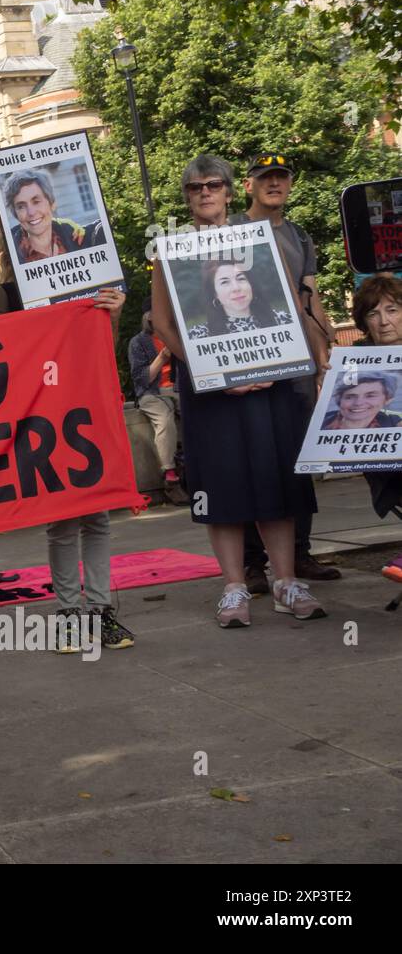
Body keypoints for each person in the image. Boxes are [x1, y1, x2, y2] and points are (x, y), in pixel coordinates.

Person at [152, 154, 324, 628]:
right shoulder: (172, 251)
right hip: (210, 390)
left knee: (277, 476)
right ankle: (233, 587)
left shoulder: (261, 241)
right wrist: (210, 370)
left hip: (271, 380)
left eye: (213, 184)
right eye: (194, 187)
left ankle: (286, 580)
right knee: (223, 482)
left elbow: (291, 304)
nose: (205, 192)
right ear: (187, 198)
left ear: (231, 191)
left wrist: (288, 361)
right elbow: (164, 324)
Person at [0, 223, 135, 650]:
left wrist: (115, 312)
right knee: (62, 518)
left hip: (88, 405)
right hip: (42, 415)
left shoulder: (89, 286)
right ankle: (69, 614)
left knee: (98, 515)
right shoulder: (7, 295)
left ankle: (102, 612)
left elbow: (103, 346)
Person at [230, 153, 340, 588]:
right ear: (249, 186)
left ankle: (299, 553)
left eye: (281, 178)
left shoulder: (300, 236)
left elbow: (310, 300)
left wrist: (322, 356)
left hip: (295, 359)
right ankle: (252, 563)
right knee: (249, 461)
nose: (275, 184)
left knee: (300, 457)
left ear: (290, 184)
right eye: (266, 178)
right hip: (248, 356)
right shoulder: (230, 228)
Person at [348, 275, 402, 581]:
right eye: (373, 313)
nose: (383, 322)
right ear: (364, 322)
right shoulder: (353, 361)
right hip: (391, 468)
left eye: (392, 310)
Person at [127, 305, 188, 505]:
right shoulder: (138, 342)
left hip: (179, 389)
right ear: (150, 317)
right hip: (151, 393)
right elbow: (142, 380)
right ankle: (170, 476)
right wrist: (162, 357)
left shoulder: (179, 335)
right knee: (164, 417)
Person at [3, 168, 107, 264]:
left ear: (52, 204)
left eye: (36, 201)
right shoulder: (12, 259)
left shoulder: (78, 238)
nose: (31, 212)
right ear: (16, 214)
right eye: (21, 206)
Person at [185, 257, 292, 339]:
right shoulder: (199, 335)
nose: (236, 288)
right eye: (225, 282)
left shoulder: (284, 320)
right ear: (214, 293)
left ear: (251, 284)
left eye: (241, 278)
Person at [321, 371, 402, 430]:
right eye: (350, 397)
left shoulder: (394, 424)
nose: (358, 403)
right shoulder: (320, 422)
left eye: (370, 396)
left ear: (388, 399)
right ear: (339, 399)